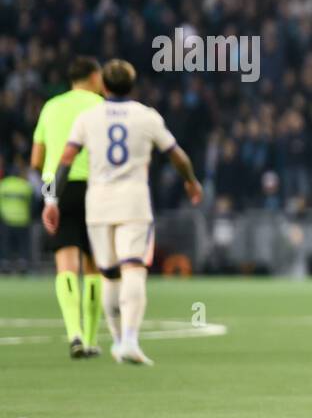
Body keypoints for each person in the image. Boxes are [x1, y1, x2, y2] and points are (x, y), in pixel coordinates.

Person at [43, 60, 204, 365]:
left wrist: (52, 201)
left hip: (98, 203)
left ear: (103, 86)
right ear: (132, 86)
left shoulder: (88, 117)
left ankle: (116, 340)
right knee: (133, 269)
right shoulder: (146, 116)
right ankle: (129, 338)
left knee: (108, 275)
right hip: (133, 202)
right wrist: (191, 183)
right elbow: (177, 155)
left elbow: (63, 162)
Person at [30, 56, 105, 358]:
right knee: (94, 265)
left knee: (65, 264)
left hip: (56, 190)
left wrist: (48, 184)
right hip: (94, 185)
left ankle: (73, 333)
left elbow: (36, 160)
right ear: (94, 76)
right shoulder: (101, 107)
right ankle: (90, 339)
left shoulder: (51, 106)